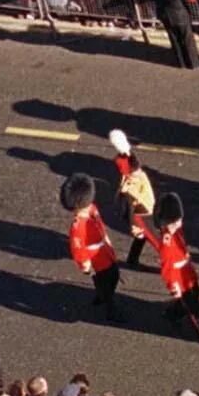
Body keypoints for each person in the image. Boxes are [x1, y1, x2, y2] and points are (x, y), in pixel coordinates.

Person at [142, 192, 199, 346]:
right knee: (195, 308)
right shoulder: (166, 243)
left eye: (178, 221)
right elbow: (168, 268)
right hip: (180, 279)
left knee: (194, 297)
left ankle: (171, 314)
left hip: (187, 272)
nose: (178, 224)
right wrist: (174, 287)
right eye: (173, 223)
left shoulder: (177, 232)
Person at [61, 173, 123, 321]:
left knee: (110, 277)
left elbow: (100, 226)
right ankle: (110, 308)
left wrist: (107, 241)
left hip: (104, 250)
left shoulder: (92, 208)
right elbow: (78, 249)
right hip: (96, 259)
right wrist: (85, 265)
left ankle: (101, 296)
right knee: (108, 280)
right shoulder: (77, 226)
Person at [110, 129, 157, 269]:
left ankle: (132, 258)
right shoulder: (130, 188)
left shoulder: (133, 175)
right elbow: (130, 209)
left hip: (145, 210)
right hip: (143, 214)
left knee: (141, 238)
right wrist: (133, 226)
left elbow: (128, 157)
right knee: (156, 240)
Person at [153, 0, 199, 69]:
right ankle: (193, 63)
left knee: (175, 40)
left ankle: (181, 62)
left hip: (166, 17)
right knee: (187, 40)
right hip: (179, 16)